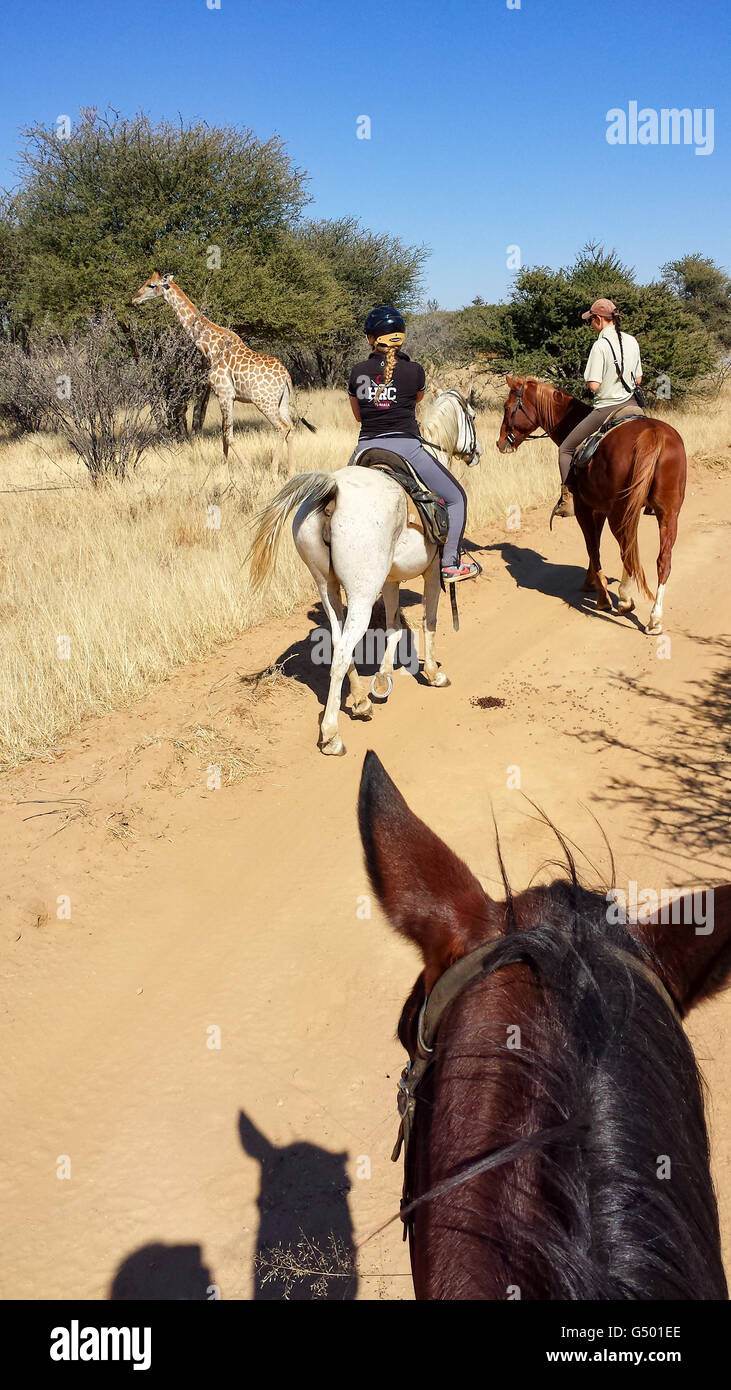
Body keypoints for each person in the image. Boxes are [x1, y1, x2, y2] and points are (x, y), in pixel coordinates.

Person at [347, 306, 479, 580]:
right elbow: (415, 402)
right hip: (407, 448)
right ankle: (450, 563)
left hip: (365, 449)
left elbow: (359, 416)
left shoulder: (358, 372)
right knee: (456, 499)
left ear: (372, 339)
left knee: (336, 499)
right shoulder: (415, 371)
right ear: (401, 337)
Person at [554, 298, 644, 518]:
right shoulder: (632, 341)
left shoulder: (600, 345)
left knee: (565, 449)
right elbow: (639, 379)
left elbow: (594, 385)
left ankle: (569, 501)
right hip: (634, 406)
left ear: (598, 320)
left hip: (607, 408)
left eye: (591, 320)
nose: (591, 324)